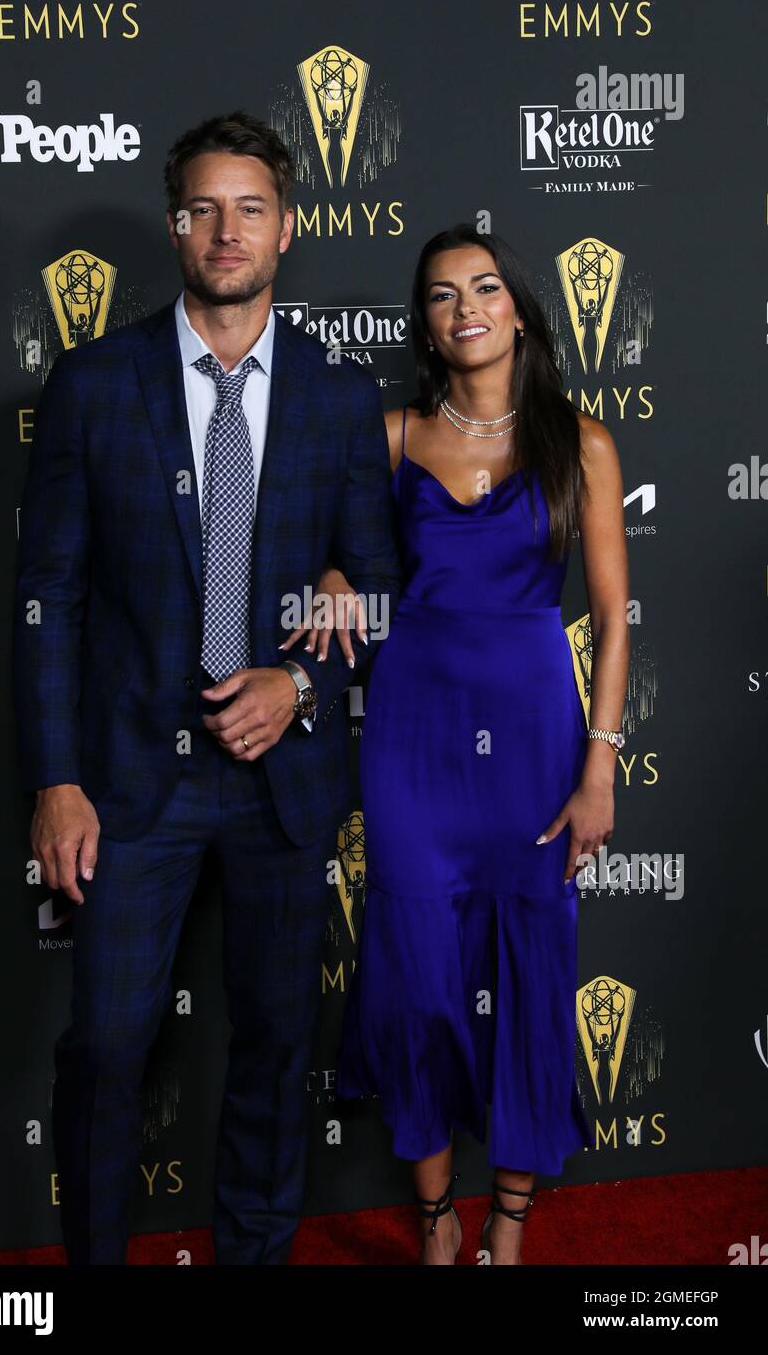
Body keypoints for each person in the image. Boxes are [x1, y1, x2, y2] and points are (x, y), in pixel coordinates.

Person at [11, 110, 400, 1265]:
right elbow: (47, 598)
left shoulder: (338, 391)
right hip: (130, 779)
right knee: (108, 1046)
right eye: (201, 210)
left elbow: (376, 593)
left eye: (249, 209)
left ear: (285, 227)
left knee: (278, 1046)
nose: (225, 233)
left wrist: (296, 681)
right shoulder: (92, 383)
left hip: (282, 780)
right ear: (172, 226)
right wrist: (56, 779)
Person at [291, 227, 629, 1265]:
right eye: (440, 296)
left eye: (483, 287)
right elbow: (337, 559)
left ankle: (508, 1223)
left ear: (518, 308)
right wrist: (344, 578)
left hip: (533, 732)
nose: (464, 307)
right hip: (412, 735)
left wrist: (598, 764)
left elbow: (614, 618)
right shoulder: (389, 438)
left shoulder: (582, 441)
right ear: (426, 329)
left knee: (532, 964)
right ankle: (436, 1216)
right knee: (414, 977)